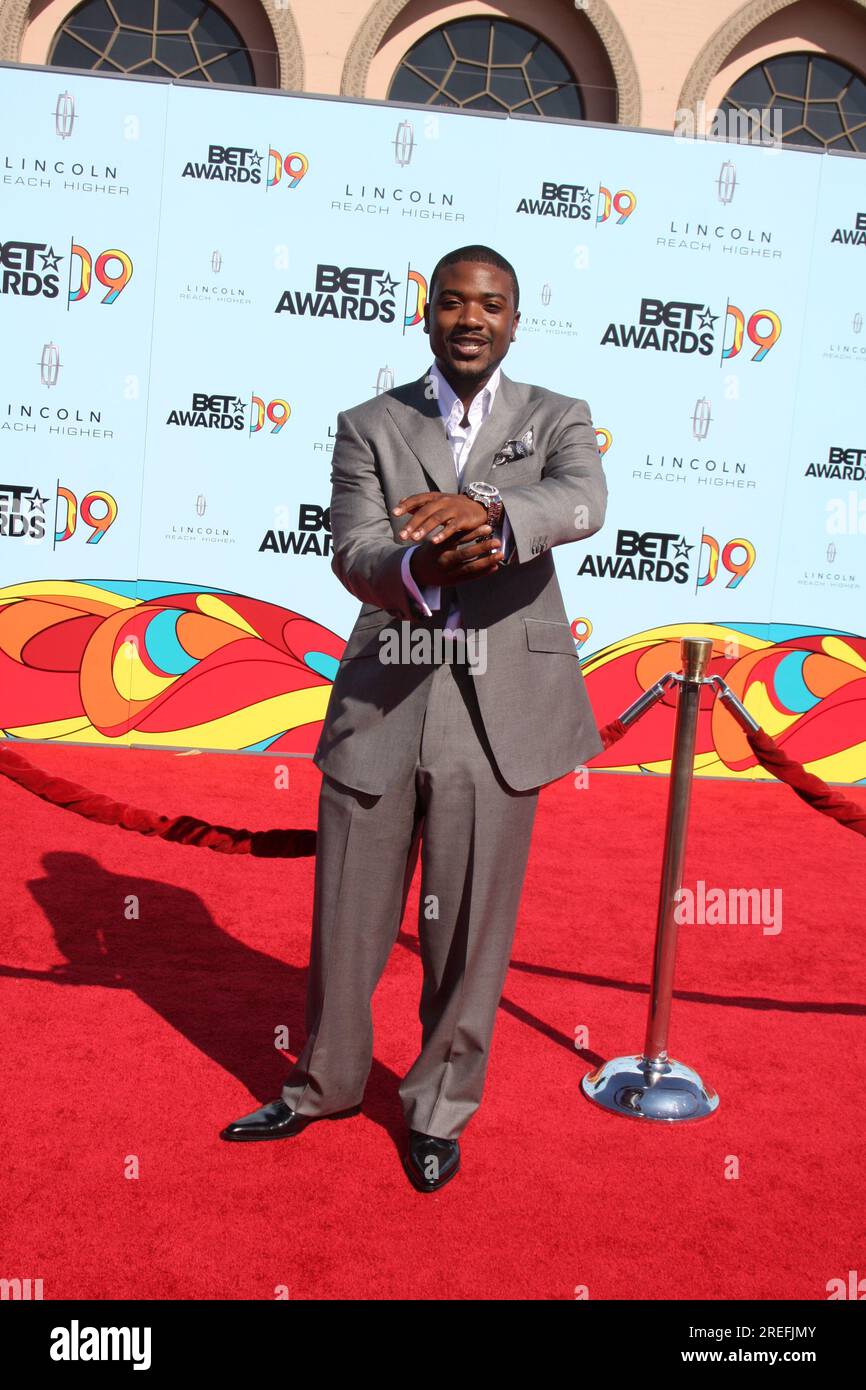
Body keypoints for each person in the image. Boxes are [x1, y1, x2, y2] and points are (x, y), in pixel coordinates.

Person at [221, 244, 607, 1192]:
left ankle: (438, 1110)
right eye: (453, 302)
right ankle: (324, 1083)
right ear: (427, 313)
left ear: (515, 320)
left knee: (468, 930)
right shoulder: (369, 424)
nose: (471, 318)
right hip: (384, 694)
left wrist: (482, 515)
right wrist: (414, 569)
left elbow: (581, 501)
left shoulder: (559, 417)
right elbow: (354, 545)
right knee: (347, 912)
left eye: (493, 304)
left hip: (500, 711)